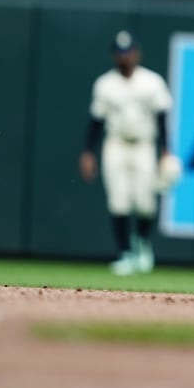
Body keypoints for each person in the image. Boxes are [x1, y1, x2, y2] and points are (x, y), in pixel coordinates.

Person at [79, 30, 174, 275]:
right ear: (114, 56)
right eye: (121, 54)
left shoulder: (152, 82)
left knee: (145, 203)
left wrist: (166, 151)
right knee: (118, 200)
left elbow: (162, 118)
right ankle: (124, 253)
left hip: (144, 145)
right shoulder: (105, 84)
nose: (125, 58)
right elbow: (96, 121)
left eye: (129, 53)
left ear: (137, 54)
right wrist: (88, 152)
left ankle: (141, 243)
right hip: (116, 144)